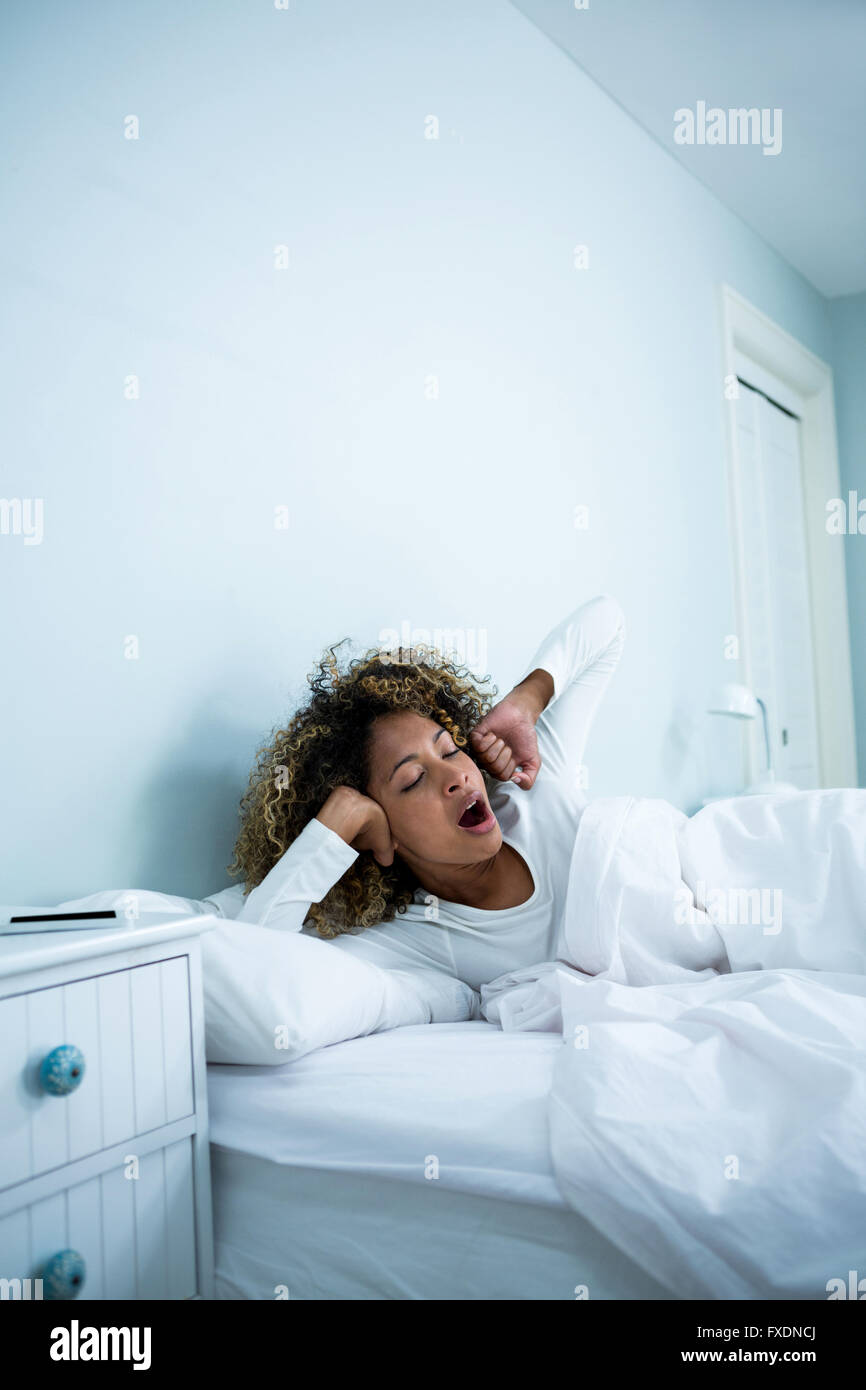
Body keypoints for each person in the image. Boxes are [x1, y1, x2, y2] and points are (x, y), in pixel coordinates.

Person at [202, 595, 626, 992]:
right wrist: (335, 827)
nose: (456, 776)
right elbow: (250, 970)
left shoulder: (529, 786)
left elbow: (607, 619)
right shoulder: (423, 938)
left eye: (450, 750)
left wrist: (525, 704)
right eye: (413, 780)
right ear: (384, 833)